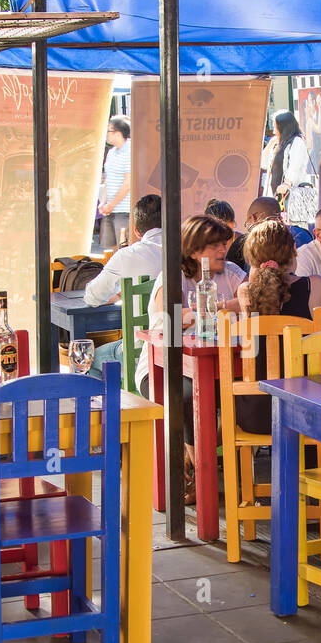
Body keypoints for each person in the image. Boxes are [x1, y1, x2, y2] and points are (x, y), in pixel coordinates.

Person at [138, 214, 247, 504]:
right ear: (195, 250)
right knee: (186, 397)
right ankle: (202, 473)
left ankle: (194, 459)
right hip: (164, 369)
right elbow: (169, 317)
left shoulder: (232, 272)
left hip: (217, 367)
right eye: (216, 246)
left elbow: (252, 300)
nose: (224, 250)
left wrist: (213, 308)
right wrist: (212, 312)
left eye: (225, 244)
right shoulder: (174, 275)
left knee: (243, 398)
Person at [234, 221, 321, 435]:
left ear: (253, 259)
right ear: (294, 250)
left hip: (256, 414)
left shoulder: (245, 292)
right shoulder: (316, 286)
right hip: (307, 413)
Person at [83, 194, 163, 306]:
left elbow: (92, 298)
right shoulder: (188, 251)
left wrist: (119, 296)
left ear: (136, 231)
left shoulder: (125, 256)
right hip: (183, 321)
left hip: (143, 323)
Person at [97, 115, 132, 249]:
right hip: (110, 210)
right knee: (109, 248)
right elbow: (108, 179)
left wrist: (111, 204)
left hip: (124, 210)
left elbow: (128, 183)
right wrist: (104, 203)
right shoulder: (111, 153)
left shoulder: (130, 150)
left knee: (123, 247)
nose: (107, 135)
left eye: (109, 131)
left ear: (118, 133)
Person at [263, 110, 313, 201]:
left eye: (276, 127)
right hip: (275, 196)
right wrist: (270, 144)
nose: (274, 131)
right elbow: (263, 164)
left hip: (291, 196)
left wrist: (287, 183)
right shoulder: (277, 145)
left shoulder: (297, 142)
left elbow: (295, 165)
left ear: (283, 128)